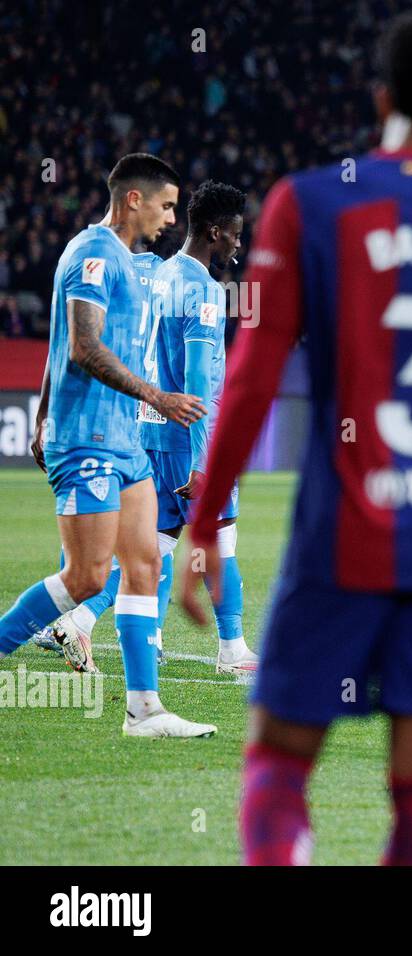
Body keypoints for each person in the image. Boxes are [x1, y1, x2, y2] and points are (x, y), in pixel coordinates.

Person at [175, 8, 412, 865]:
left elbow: (250, 377)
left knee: (276, 772)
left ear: (379, 95)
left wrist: (202, 523)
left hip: (343, 537)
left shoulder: (308, 202)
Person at [0, 153, 214, 737]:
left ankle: (144, 710)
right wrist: (160, 397)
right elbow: (83, 347)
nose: (173, 218)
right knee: (86, 579)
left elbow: (58, 342)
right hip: (88, 438)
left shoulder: (131, 261)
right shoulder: (93, 253)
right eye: (167, 205)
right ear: (135, 200)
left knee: (144, 566)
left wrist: (42, 409)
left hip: (124, 442)